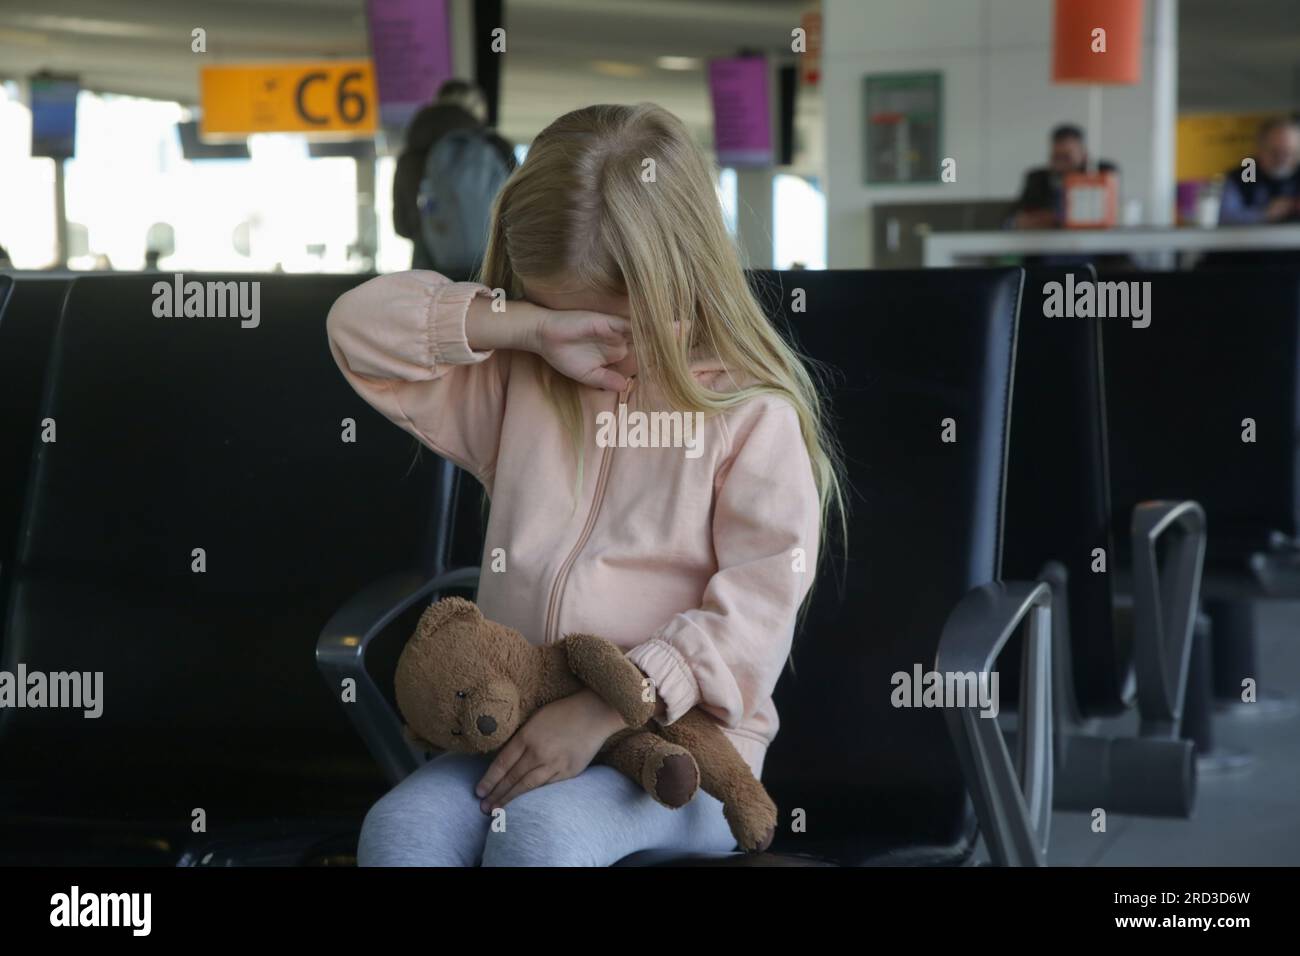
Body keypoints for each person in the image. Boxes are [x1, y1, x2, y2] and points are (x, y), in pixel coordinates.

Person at [327, 103, 845, 866]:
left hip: (683, 755)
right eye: (561, 317)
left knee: (540, 840)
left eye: (608, 325)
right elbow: (356, 329)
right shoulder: (523, 384)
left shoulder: (751, 416)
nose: (588, 347)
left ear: (678, 277)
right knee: (399, 832)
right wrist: (523, 330)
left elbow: (755, 613)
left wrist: (606, 708)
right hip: (522, 723)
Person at [392, 79, 516, 273]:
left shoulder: (410, 156)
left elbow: (402, 226)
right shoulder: (496, 148)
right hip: (492, 267)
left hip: (430, 270)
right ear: (477, 109)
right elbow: (519, 211)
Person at [1010, 123, 1118, 230]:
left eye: (1067, 157)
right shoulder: (1037, 179)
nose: (1061, 164)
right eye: (1056, 157)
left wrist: (1057, 216)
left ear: (1084, 155)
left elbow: (1109, 213)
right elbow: (1016, 217)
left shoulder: (1100, 173)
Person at [1217, 115, 1300, 225]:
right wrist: (1265, 214)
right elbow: (1225, 218)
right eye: (1275, 152)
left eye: (1290, 153)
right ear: (1260, 148)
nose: (1282, 160)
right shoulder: (1244, 174)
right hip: (1247, 240)